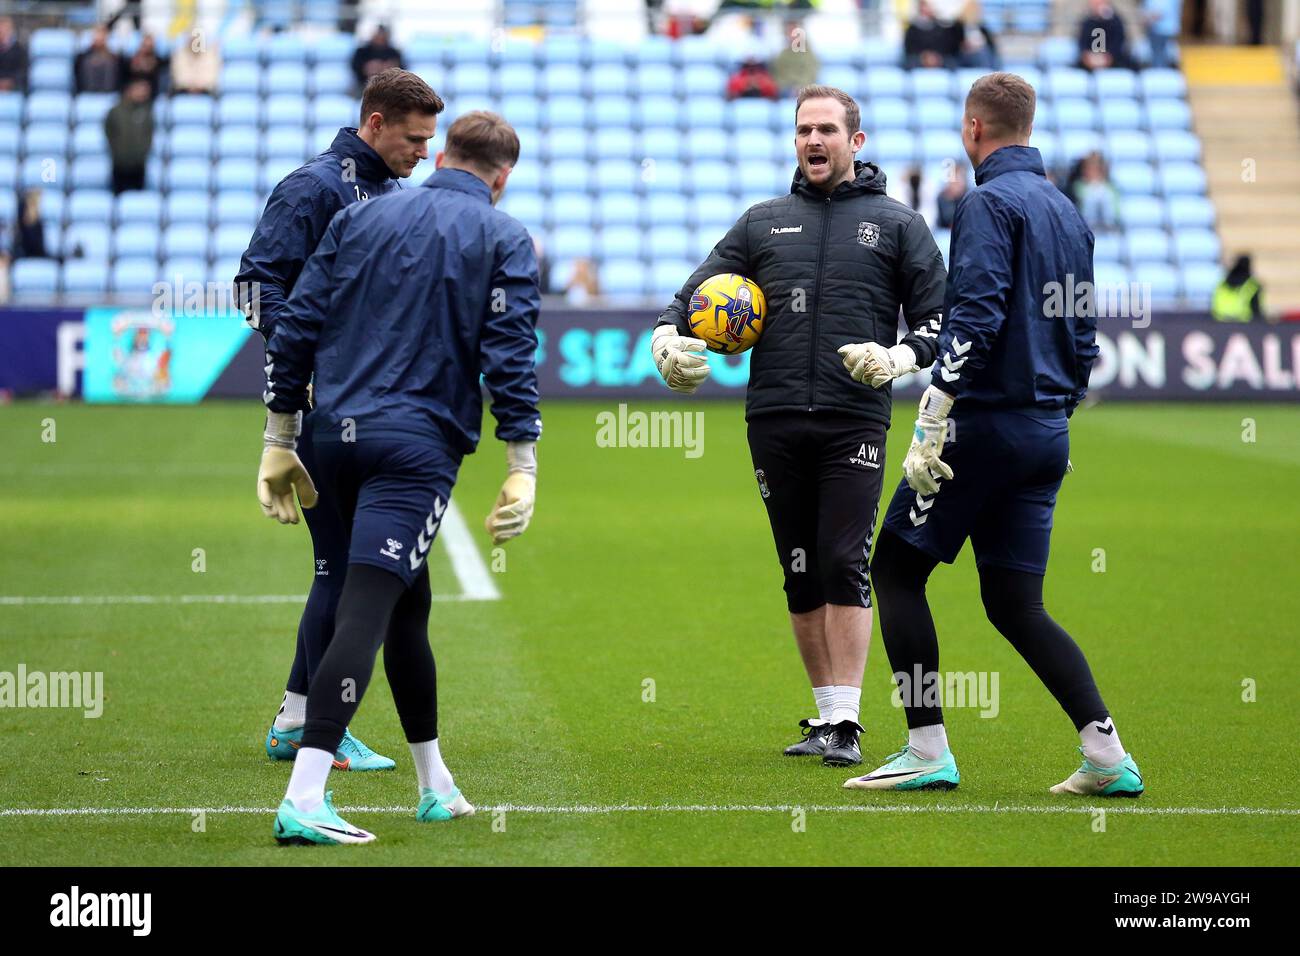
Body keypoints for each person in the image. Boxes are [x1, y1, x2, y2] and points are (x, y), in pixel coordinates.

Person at [845, 73, 1143, 799]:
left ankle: (926, 749)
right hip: (1046, 430)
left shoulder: (985, 202)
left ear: (974, 129)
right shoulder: (1068, 211)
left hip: (983, 427)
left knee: (894, 571)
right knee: (1015, 603)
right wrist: (1056, 410)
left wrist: (932, 418)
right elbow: (1083, 331)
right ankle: (1106, 754)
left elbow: (971, 319)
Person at [258, 110, 541, 844]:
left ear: (443, 155)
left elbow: (297, 324)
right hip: (412, 449)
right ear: (503, 177)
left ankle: (434, 782)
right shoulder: (504, 235)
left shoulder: (363, 216)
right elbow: (508, 355)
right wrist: (522, 462)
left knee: (408, 604)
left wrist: (278, 437)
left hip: (331, 439)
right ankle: (306, 794)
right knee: (367, 608)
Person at [652, 85, 947, 768]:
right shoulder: (763, 222)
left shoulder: (898, 224)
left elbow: (942, 319)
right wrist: (667, 338)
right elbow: (688, 297)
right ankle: (825, 713)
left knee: (844, 559)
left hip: (855, 419)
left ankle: (847, 721)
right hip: (774, 416)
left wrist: (901, 356)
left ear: (855, 142)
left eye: (826, 130)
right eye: (803, 130)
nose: (813, 141)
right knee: (800, 568)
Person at [235, 68, 444, 775]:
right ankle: (307, 722)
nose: (423, 153)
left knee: (345, 572)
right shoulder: (313, 187)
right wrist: (313, 366)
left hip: (380, 407)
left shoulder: (393, 193)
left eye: (431, 142)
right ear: (376, 123)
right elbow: (255, 286)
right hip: (332, 412)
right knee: (348, 573)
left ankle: (299, 716)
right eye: (414, 140)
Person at [104, 79, 154, 195]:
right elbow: (109, 131)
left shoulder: (146, 112)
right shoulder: (115, 111)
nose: (143, 93)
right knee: (118, 194)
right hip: (119, 163)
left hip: (139, 163)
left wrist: (143, 152)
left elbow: (149, 133)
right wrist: (116, 151)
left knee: (137, 198)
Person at [903, 0, 966, 70]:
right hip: (919, 59)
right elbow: (909, 48)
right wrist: (924, 57)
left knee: (952, 63)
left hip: (940, 59)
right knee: (909, 63)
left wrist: (936, 57)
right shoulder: (912, 28)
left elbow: (947, 46)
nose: (925, 9)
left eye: (927, 7)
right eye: (923, 6)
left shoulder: (941, 27)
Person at [1078, 0, 1131, 71]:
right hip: (1091, 62)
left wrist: (1107, 58)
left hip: (1114, 61)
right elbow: (1083, 43)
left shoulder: (1115, 21)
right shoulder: (1087, 22)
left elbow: (1118, 42)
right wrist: (1088, 57)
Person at [771, 19, 819, 95]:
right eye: (789, 31)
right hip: (786, 90)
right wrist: (789, 87)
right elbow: (778, 76)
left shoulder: (808, 53)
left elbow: (811, 74)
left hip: (804, 89)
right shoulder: (783, 54)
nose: (792, 35)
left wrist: (799, 86)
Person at [74, 23, 126, 94]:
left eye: (102, 34)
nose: (99, 37)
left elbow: (122, 74)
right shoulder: (82, 57)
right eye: (97, 34)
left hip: (110, 92)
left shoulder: (116, 58)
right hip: (87, 92)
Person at [1212, 255, 1264, 321]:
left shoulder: (1222, 283)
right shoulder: (1252, 285)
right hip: (1244, 323)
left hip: (1220, 321)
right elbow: (1256, 310)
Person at [351, 25, 404, 90]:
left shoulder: (394, 52)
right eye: (378, 36)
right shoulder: (362, 51)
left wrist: (392, 69)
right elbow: (355, 67)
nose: (379, 39)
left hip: (390, 87)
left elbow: (403, 69)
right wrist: (367, 68)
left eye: (382, 37)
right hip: (364, 86)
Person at [125, 32, 166, 98]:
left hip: (151, 95)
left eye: (150, 46)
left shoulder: (158, 62)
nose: (147, 48)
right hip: (133, 92)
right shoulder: (132, 61)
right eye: (145, 45)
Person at [0, 17, 28, 93]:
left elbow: (23, 71)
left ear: (10, 30)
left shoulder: (19, 50)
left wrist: (10, 82)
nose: (2, 31)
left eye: (5, 29)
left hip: (13, 87)